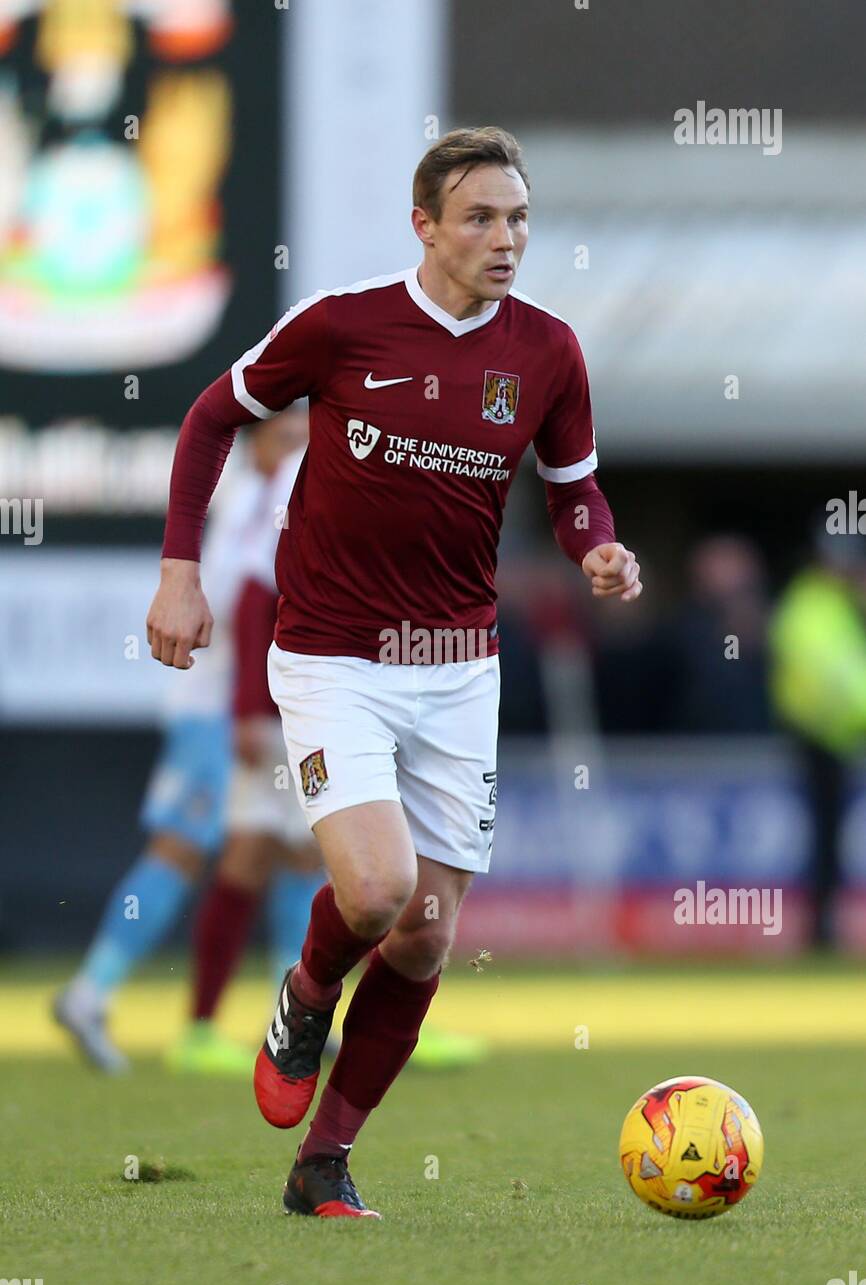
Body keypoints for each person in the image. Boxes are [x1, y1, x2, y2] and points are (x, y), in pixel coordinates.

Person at [147, 126, 642, 1219]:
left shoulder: (547, 350)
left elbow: (573, 487)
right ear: (423, 225)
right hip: (332, 653)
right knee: (374, 893)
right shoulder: (340, 325)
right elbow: (210, 417)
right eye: (479, 218)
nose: (504, 238)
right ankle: (306, 987)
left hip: (459, 669)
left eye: (516, 217)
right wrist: (179, 573)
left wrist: (593, 545)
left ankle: (323, 1161)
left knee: (424, 931)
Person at [54, 411, 314, 1073]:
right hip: (222, 709)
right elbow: (255, 597)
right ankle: (94, 991)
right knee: (184, 848)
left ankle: (292, 1019)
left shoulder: (255, 494)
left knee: (296, 850)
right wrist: (251, 709)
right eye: (287, 433)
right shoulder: (270, 492)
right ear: (260, 439)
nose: (299, 446)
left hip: (253, 705)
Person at [769, 526, 866, 947]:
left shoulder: (825, 603)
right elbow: (836, 678)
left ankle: (823, 927)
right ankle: (820, 930)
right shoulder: (813, 605)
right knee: (825, 838)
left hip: (834, 737)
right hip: (821, 738)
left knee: (828, 837)